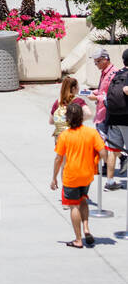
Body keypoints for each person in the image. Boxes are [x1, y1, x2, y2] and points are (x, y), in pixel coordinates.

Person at [51, 100, 106, 247]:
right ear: (81, 117)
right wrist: (95, 161)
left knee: (74, 206)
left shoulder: (64, 136)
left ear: (67, 118)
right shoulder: (91, 133)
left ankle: (78, 239)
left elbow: (58, 159)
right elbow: (103, 152)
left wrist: (54, 178)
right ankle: (87, 228)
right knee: (83, 200)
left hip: (71, 176)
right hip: (87, 175)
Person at [89, 47, 124, 190]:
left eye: (98, 61)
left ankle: (120, 158)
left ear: (105, 59)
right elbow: (103, 91)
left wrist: (96, 97)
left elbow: (111, 96)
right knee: (104, 143)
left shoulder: (112, 74)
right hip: (101, 113)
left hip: (106, 114)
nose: (96, 64)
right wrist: (94, 92)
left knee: (103, 143)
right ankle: (113, 163)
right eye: (95, 62)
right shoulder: (104, 73)